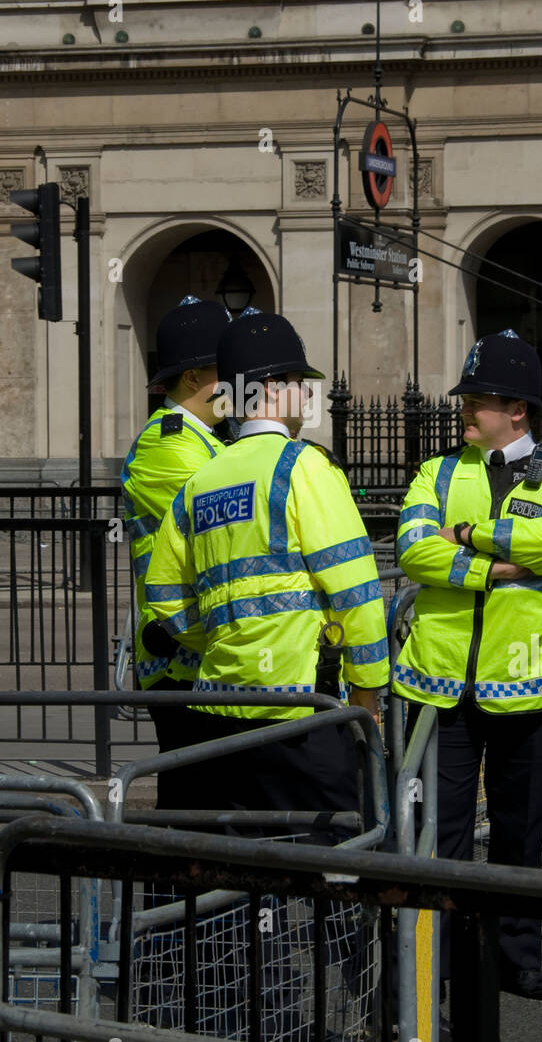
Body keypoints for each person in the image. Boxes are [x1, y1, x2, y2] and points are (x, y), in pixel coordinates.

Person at [392, 329, 542, 1007]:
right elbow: (412, 550)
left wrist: (471, 536)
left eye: (477, 400)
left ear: (518, 409)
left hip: (533, 683)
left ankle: (516, 957)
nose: (464, 410)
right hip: (440, 681)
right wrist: (499, 568)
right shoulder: (438, 471)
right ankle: (448, 962)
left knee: (520, 832)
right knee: (442, 834)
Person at [143, 311, 389, 824]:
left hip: (219, 708)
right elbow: (357, 592)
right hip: (302, 712)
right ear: (275, 387)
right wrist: (367, 695)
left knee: (246, 875)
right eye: (301, 382)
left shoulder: (203, 479)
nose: (308, 394)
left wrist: (217, 641)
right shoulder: (304, 467)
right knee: (337, 873)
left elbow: (164, 597)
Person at [119, 295, 230, 806]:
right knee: (190, 809)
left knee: (208, 803)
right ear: (193, 378)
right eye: (228, 370)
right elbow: (230, 523)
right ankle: (175, 890)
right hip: (179, 660)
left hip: (206, 653)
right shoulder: (167, 445)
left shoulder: (207, 441)